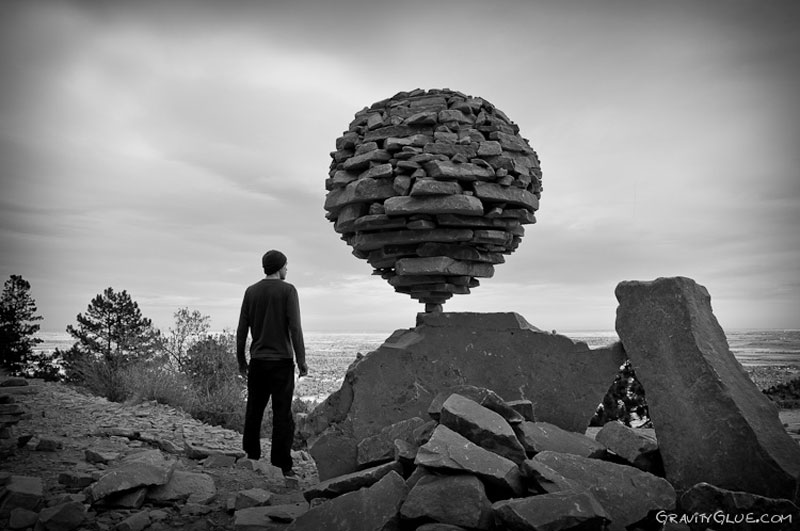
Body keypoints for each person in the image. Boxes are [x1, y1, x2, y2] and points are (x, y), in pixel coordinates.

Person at [236, 249, 308, 476]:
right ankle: (281, 463)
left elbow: (241, 330)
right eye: (286, 265)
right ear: (279, 267)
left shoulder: (251, 291)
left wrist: (241, 361)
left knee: (254, 410)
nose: (287, 269)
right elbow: (295, 328)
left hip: (257, 362)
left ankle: (251, 454)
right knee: (282, 413)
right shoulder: (288, 291)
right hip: (281, 362)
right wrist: (302, 360)